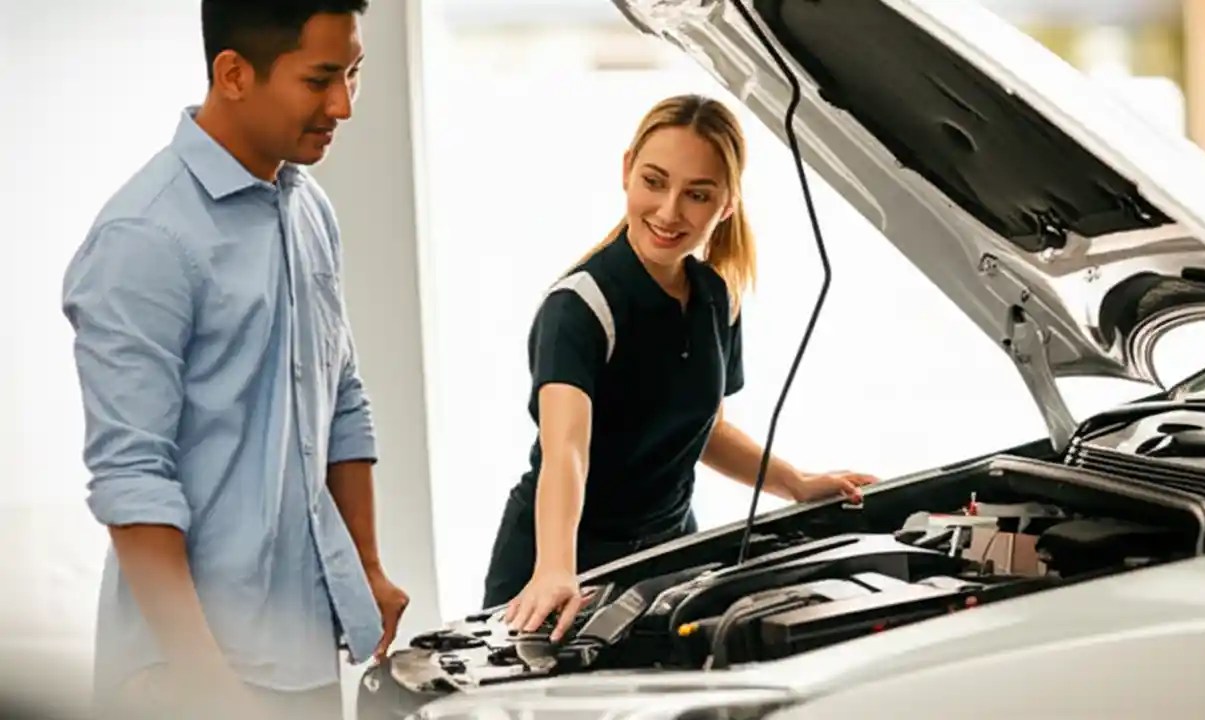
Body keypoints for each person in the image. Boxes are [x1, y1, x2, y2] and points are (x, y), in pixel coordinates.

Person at [60, 2, 408, 718]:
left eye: (354, 74)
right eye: (319, 79)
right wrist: (202, 679)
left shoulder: (308, 208)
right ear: (234, 74)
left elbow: (340, 395)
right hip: (184, 669)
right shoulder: (144, 236)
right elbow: (132, 479)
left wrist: (367, 567)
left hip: (303, 649)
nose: (342, 104)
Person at [482, 94, 879, 641]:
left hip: (669, 560)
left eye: (697, 195)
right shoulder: (579, 306)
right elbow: (566, 449)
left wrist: (796, 483)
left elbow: (703, 428)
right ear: (626, 172)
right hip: (561, 569)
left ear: (727, 205)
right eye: (654, 182)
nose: (669, 212)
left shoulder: (716, 296)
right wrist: (555, 566)